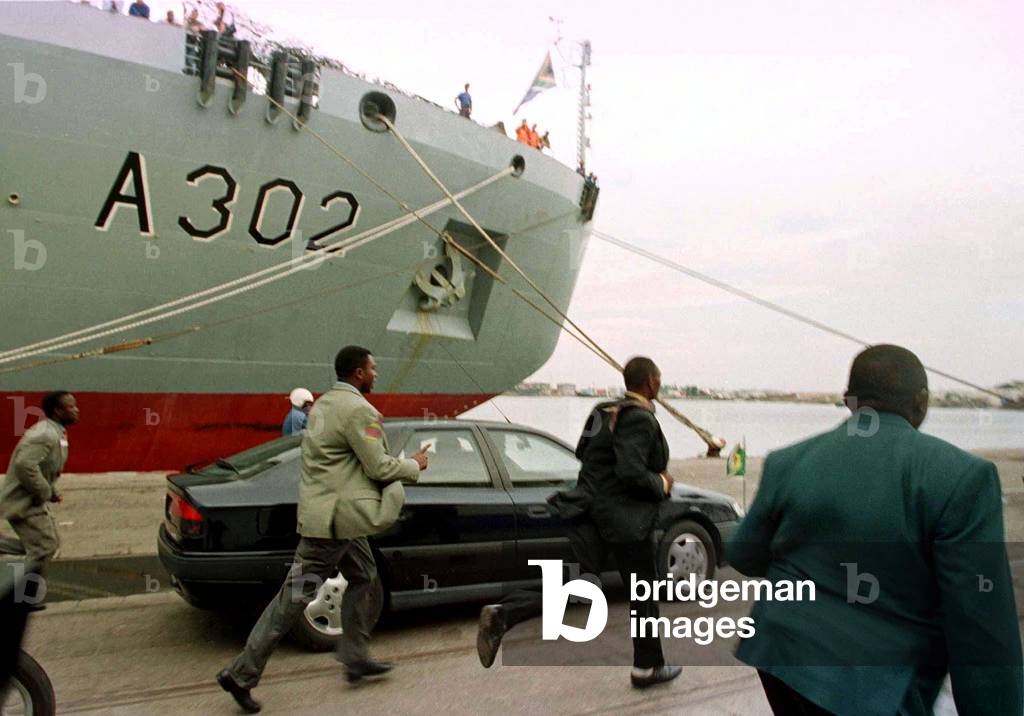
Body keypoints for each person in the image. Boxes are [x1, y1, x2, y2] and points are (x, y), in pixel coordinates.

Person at [727, 345, 1023, 716]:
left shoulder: (787, 461)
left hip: (780, 658)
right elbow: (982, 631)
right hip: (877, 688)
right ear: (921, 402)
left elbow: (742, 553)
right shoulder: (962, 477)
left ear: (849, 401)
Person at [217, 346, 429, 713]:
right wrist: (414, 464)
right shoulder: (361, 411)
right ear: (359, 373)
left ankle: (356, 656)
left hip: (334, 518)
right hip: (334, 526)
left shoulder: (322, 407)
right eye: (373, 368)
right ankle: (242, 672)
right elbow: (378, 467)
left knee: (365, 575)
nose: (376, 374)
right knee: (293, 599)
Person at [477, 357, 681, 689]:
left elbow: (582, 451)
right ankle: (647, 667)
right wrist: (661, 482)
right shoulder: (640, 418)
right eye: (658, 378)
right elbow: (631, 471)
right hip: (627, 522)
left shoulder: (602, 410)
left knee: (577, 585)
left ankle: (505, 613)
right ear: (652, 382)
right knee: (643, 594)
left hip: (591, 512)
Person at [0, 391, 80, 606]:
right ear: (57, 411)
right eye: (71, 407)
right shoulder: (45, 434)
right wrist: (44, 492)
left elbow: (43, 468)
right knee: (44, 547)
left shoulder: (54, 432)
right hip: (23, 502)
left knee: (46, 544)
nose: (76, 410)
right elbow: (25, 465)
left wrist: (52, 493)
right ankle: (25, 599)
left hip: (31, 499)